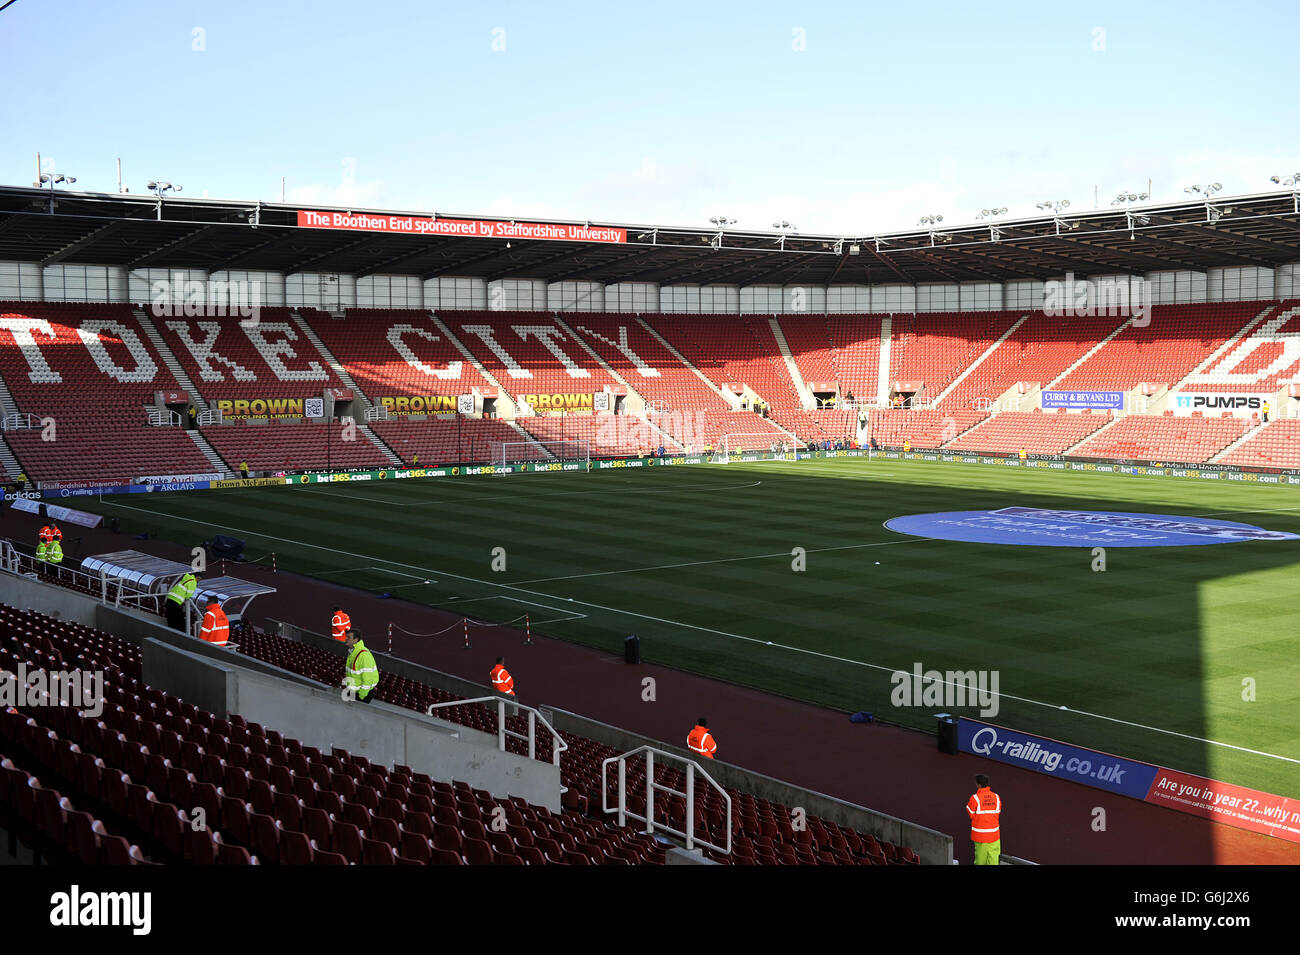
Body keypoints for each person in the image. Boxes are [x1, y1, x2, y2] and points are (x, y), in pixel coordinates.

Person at [966, 774, 1002, 865]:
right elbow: (998, 812)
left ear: (978, 785)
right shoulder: (996, 797)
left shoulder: (974, 798)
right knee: (994, 861)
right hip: (994, 836)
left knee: (980, 861)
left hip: (980, 836)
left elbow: (970, 812)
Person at [343, 630, 378, 703]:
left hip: (361, 694)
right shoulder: (352, 652)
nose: (346, 639)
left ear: (356, 640)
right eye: (346, 636)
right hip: (353, 691)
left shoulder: (363, 655)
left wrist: (362, 696)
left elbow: (368, 678)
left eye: (349, 637)